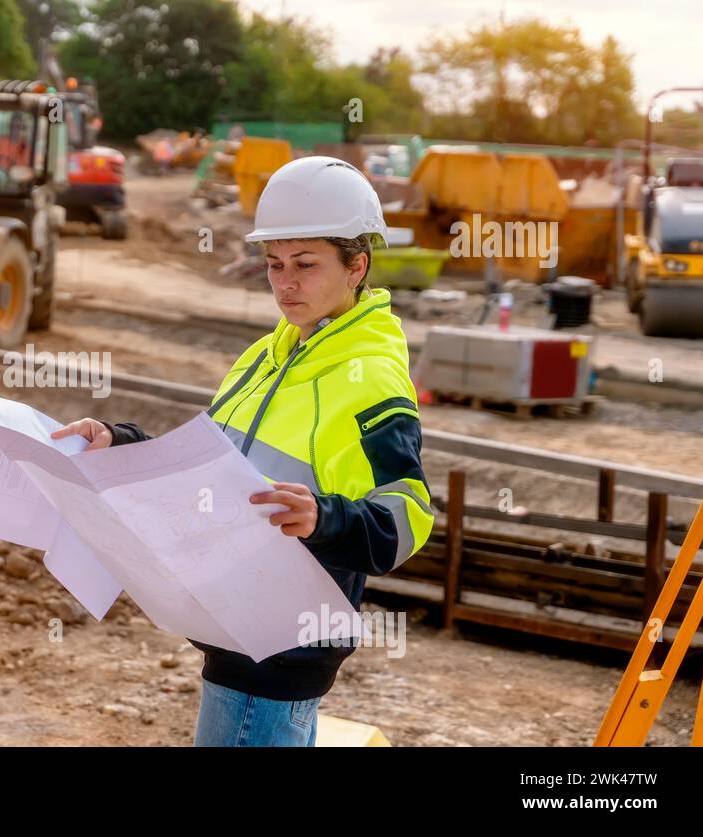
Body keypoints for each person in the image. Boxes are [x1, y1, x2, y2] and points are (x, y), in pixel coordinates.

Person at [50, 157, 434, 747]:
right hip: (230, 629)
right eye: (275, 265)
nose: (286, 284)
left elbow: (409, 514)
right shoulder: (264, 357)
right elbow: (201, 466)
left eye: (306, 265)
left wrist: (325, 517)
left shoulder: (373, 378)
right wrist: (119, 441)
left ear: (357, 266)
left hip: (281, 650)